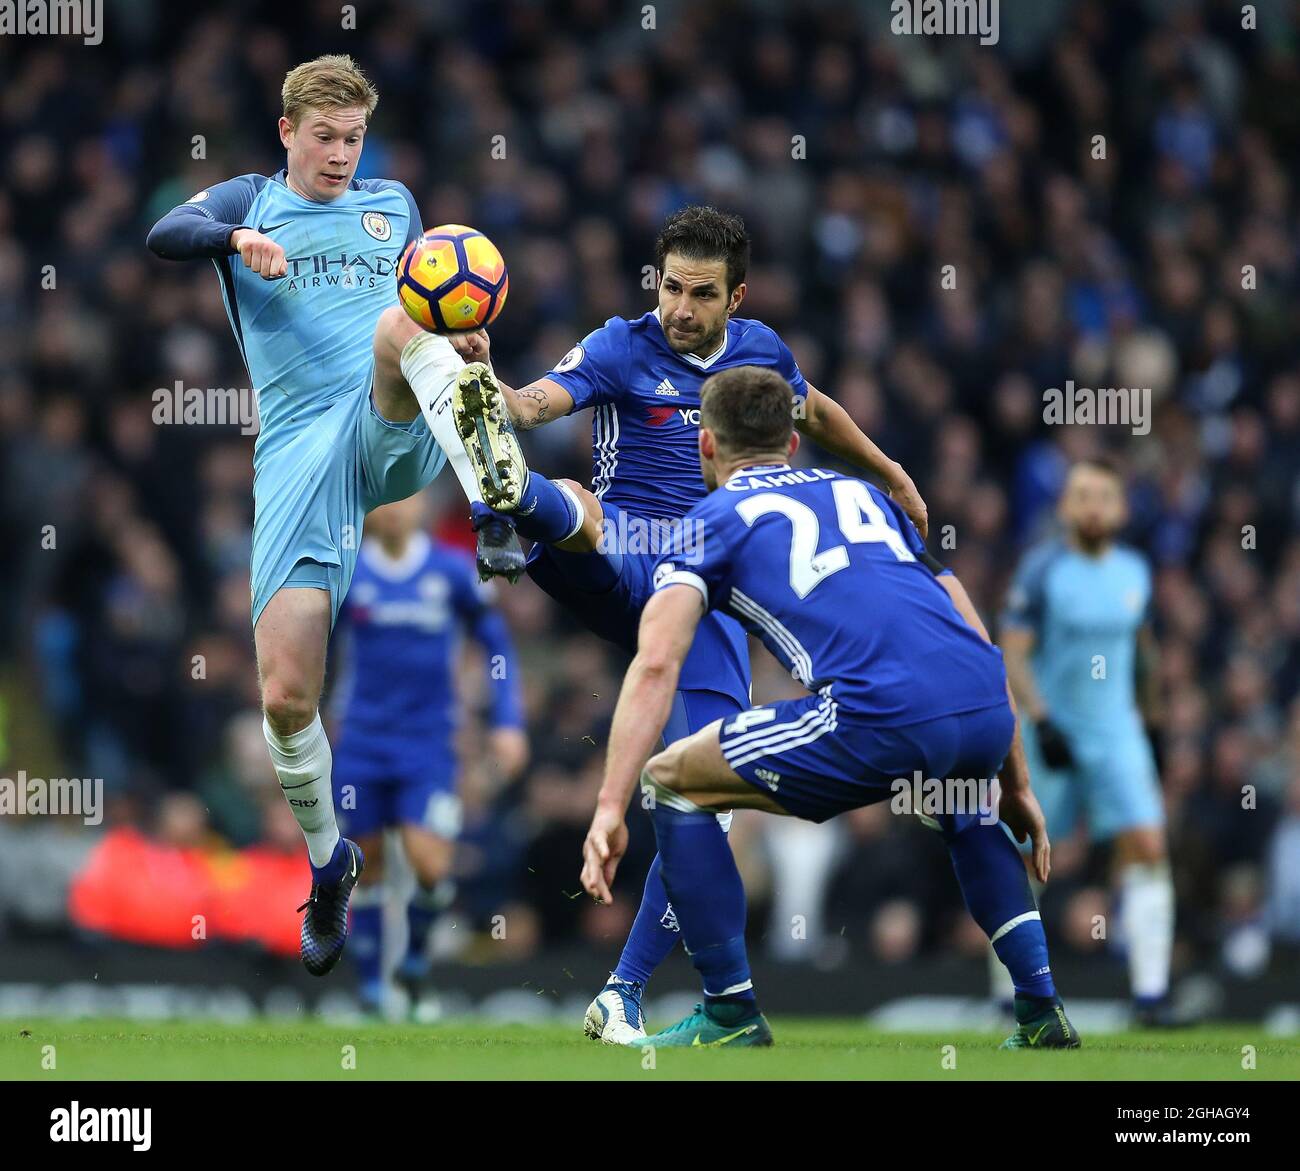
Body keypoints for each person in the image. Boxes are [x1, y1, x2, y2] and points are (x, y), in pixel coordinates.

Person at [448, 205, 928, 1041]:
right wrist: (493, 384)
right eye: (670, 286)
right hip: (618, 558)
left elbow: (815, 414)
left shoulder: (762, 355)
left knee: (697, 794)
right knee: (590, 511)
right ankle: (513, 499)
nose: (679, 307)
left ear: (734, 297)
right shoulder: (618, 345)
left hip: (704, 589)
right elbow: (536, 402)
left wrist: (888, 470)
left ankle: (622, 994)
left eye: (701, 294)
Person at [146, 54, 521, 976]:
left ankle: (495, 506)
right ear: (288, 132)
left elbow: (433, 310)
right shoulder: (248, 202)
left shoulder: (394, 206)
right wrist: (236, 244)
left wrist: (461, 339)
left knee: (403, 328)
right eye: (324, 136)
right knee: (285, 697)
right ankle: (330, 865)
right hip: (299, 453)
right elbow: (164, 232)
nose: (341, 154)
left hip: (385, 418)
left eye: (354, 137)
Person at [579, 365, 1079, 1050]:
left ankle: (729, 1011)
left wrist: (609, 805)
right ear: (791, 444)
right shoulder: (864, 495)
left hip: (878, 714)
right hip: (979, 704)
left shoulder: (709, 520)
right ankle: (1041, 1009)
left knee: (673, 778)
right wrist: (1015, 780)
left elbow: (659, 660)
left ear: (705, 445)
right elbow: (971, 628)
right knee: (963, 805)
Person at [330, 491, 526, 1015]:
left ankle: (414, 959)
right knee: (364, 865)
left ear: (424, 506)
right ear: (366, 506)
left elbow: (497, 643)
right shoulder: (347, 571)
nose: (394, 508)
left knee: (431, 864)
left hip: (430, 744)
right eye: (383, 498)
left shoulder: (452, 570)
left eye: (406, 497)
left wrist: (506, 720)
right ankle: (372, 989)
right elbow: (316, 647)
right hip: (363, 742)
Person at [998, 459, 1174, 1026]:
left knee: (1147, 849)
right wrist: (1041, 720)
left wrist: (1153, 719)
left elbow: (1145, 651)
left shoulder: (1135, 571)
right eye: (1081, 495)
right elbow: (1015, 651)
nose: (1092, 506)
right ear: (1065, 507)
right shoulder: (1042, 569)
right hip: (1052, 730)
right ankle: (1012, 993)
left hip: (1117, 732)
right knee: (1024, 858)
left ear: (1120, 509)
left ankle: (1151, 996)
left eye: (1103, 495)